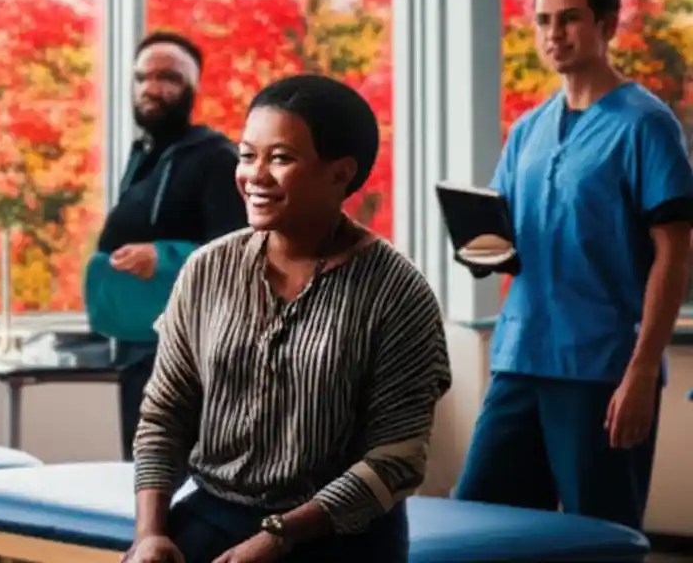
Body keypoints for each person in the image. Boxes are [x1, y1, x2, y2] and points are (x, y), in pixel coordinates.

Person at [124, 74, 452, 563]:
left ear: (340, 174)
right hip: (214, 514)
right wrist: (149, 533)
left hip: (340, 534)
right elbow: (164, 416)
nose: (254, 175)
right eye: (246, 155)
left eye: (280, 158)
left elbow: (396, 459)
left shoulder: (397, 291)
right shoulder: (207, 269)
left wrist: (282, 535)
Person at [453, 0, 693, 530]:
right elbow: (508, 239)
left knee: (599, 534)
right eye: (543, 20)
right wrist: (480, 250)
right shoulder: (527, 131)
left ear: (607, 24)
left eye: (570, 18)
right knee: (480, 524)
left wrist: (641, 371)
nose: (553, 33)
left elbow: (674, 252)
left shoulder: (645, 125)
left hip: (601, 368)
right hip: (519, 359)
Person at [84, 30, 247, 461]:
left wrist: (165, 256)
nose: (151, 88)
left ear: (193, 88)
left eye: (168, 78)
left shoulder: (216, 158)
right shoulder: (144, 156)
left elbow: (242, 252)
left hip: (190, 353)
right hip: (139, 345)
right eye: (143, 77)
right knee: (141, 471)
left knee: (175, 475)